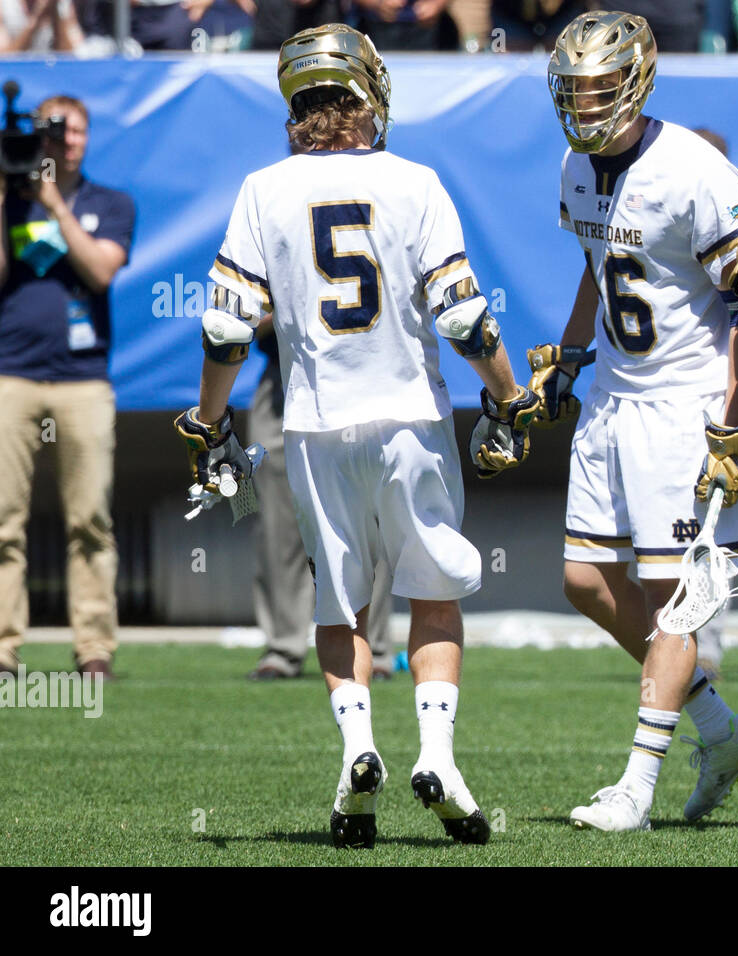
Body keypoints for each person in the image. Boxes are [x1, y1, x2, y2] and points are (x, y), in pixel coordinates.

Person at [175, 23, 539, 848]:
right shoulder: (416, 181)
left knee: (339, 603)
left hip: (312, 423)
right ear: (369, 94)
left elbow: (226, 329)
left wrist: (208, 420)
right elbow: (464, 316)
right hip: (410, 414)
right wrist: (509, 397)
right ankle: (438, 754)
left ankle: (358, 754)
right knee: (433, 592)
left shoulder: (262, 188)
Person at [533, 10, 738, 832]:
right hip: (612, 396)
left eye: (600, 85)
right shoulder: (576, 164)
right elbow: (596, 272)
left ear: (637, 80)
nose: (585, 101)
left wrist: (733, 427)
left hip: (683, 405)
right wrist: (570, 360)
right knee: (583, 581)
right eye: (574, 87)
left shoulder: (692, 168)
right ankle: (722, 731)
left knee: (671, 598)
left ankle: (636, 787)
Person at [0, 95, 134, 681]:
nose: (64, 141)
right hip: (11, 375)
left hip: (83, 382)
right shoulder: (8, 200)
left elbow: (100, 270)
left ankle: (93, 649)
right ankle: (3, 651)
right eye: (53, 131)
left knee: (90, 519)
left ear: (86, 137)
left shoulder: (111, 202)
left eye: (74, 130)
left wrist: (54, 205)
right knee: (3, 521)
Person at [245, 319, 396, 681]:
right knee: (279, 523)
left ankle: (373, 648)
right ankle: (283, 646)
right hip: (288, 374)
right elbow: (245, 315)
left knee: (369, 516)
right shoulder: (268, 257)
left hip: (363, 372)